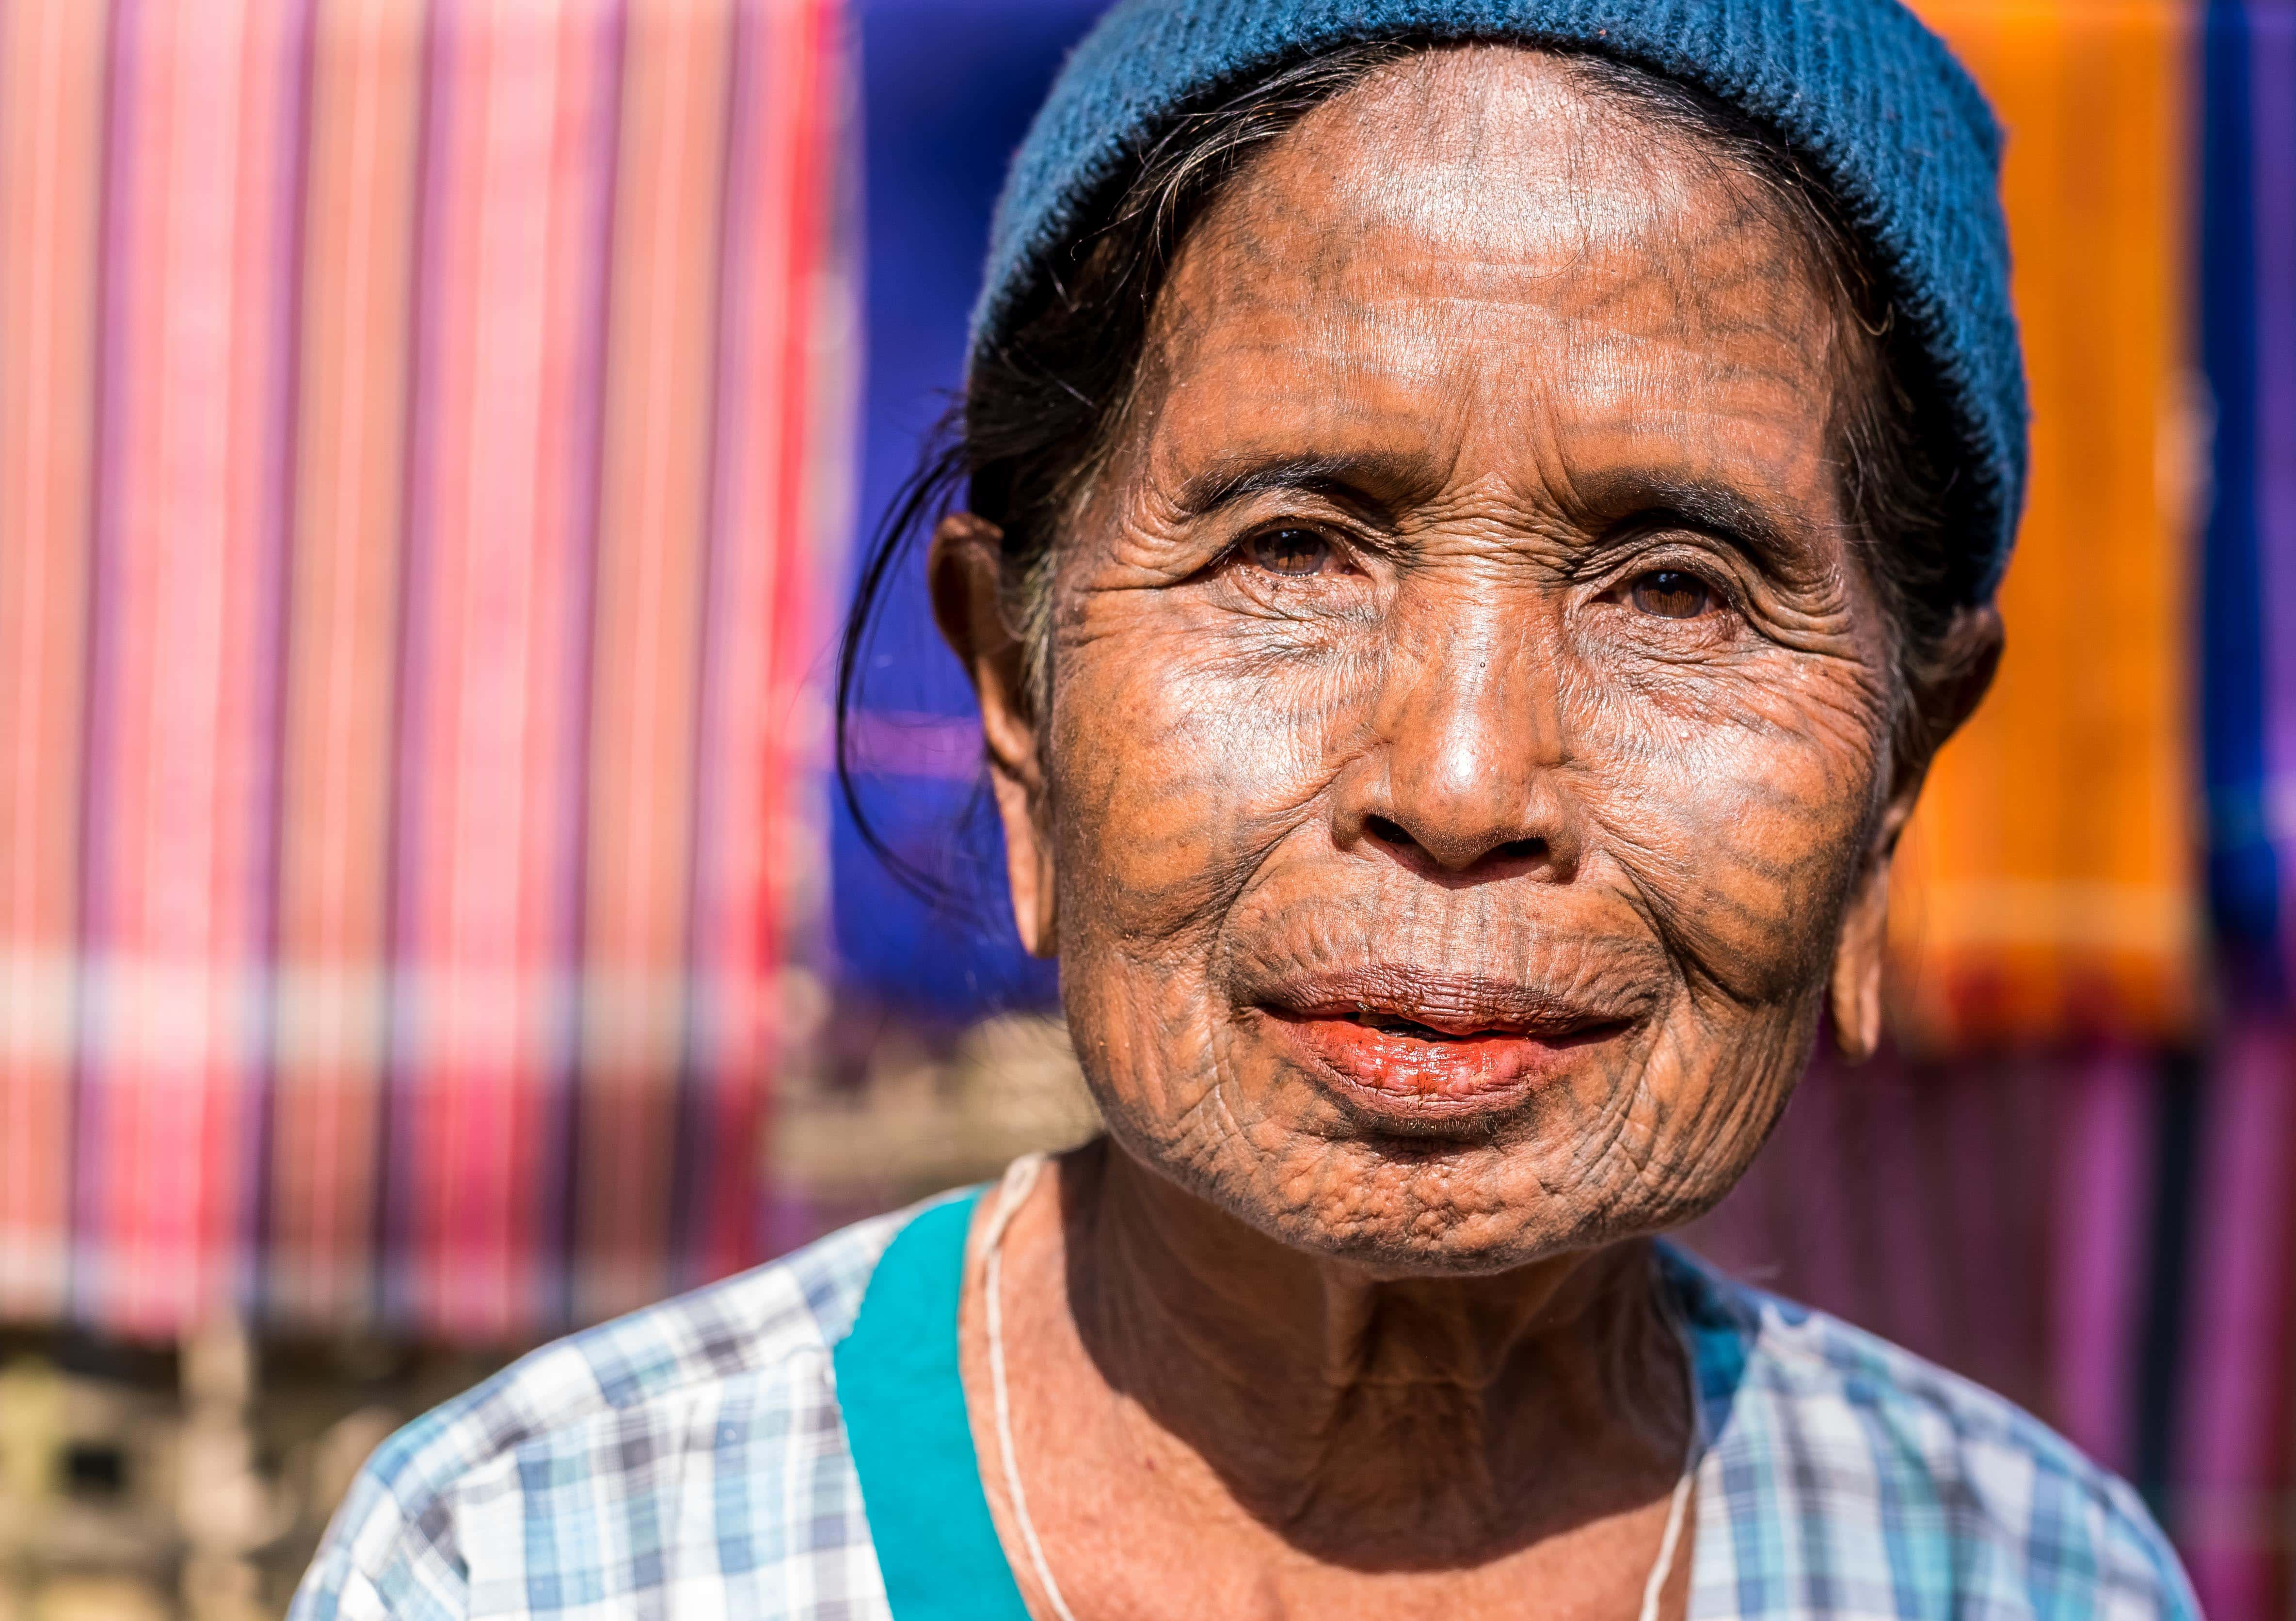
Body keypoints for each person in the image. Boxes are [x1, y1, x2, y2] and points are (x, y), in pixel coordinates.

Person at [295, 1, 2198, 1616]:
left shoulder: (2028, 1580)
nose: (1460, 785)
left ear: (1898, 775)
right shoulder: (539, 1560)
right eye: (1292, 549)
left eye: (1678, 590)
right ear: (1018, 694)